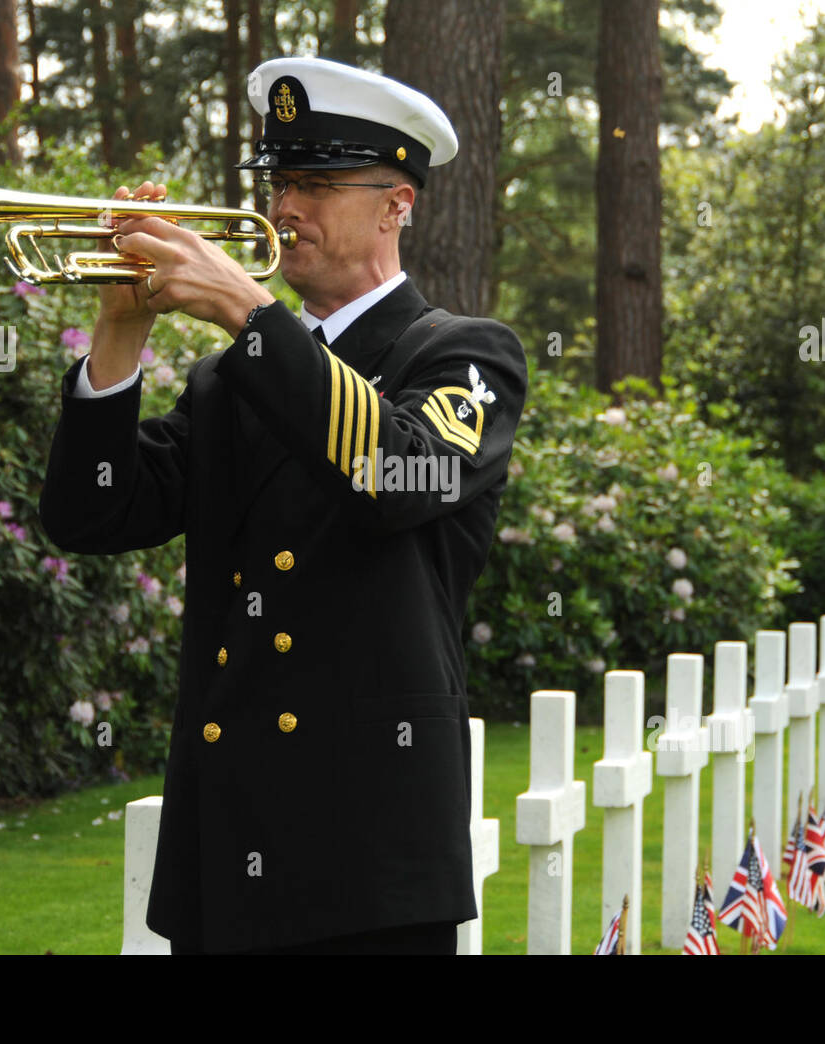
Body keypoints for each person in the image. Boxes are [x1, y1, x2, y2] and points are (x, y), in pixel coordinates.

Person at [38, 56, 528, 954]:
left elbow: (394, 475)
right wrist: (118, 332)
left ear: (397, 204)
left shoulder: (465, 356)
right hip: (225, 845)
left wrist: (247, 312)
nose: (284, 207)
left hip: (371, 861)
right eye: (279, 182)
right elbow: (92, 515)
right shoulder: (229, 379)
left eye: (317, 184)